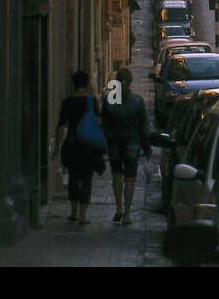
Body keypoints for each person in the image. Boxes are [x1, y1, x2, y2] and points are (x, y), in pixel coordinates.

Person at [53, 70, 104, 225]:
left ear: (73, 84)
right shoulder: (92, 101)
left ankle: (74, 212)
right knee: (87, 179)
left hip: (72, 144)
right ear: (87, 84)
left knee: (73, 178)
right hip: (87, 145)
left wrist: (56, 147)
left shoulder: (67, 102)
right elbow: (99, 121)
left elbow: (61, 126)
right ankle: (83, 215)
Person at [101, 67, 150, 225]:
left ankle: (119, 208)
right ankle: (127, 214)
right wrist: (146, 146)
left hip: (114, 143)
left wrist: (107, 140)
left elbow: (104, 124)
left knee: (116, 175)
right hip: (132, 144)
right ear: (131, 82)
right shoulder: (137, 101)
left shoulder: (110, 100)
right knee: (130, 178)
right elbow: (143, 126)